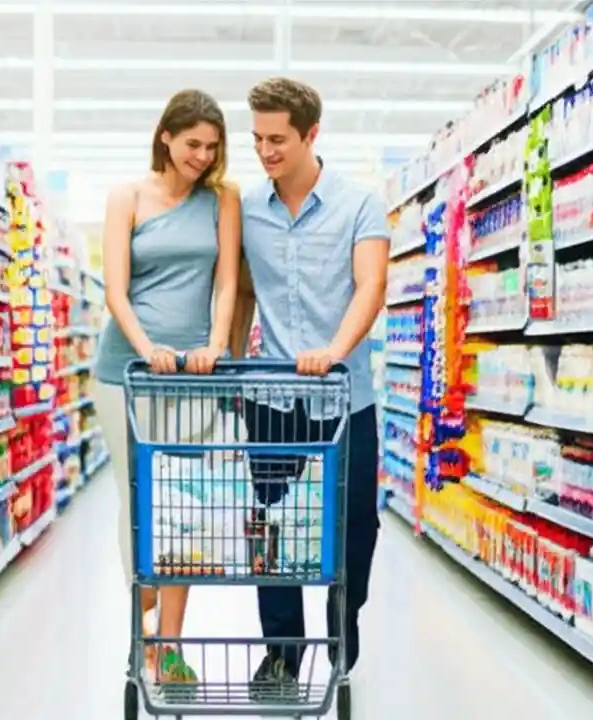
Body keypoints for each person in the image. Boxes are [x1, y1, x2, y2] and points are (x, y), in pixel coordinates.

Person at [234, 76, 389, 696]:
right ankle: (282, 652)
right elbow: (242, 288)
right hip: (270, 398)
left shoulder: (360, 204)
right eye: (258, 139)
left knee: (355, 525)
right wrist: (225, 357)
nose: (266, 151)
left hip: (347, 397)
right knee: (268, 528)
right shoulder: (244, 208)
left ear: (311, 134)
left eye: (278, 139)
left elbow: (371, 286)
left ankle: (340, 628)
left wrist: (334, 352)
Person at [91, 88, 242, 688]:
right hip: (125, 373)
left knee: (189, 509)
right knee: (140, 504)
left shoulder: (222, 201)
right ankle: (143, 613)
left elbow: (227, 283)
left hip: (195, 376)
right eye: (192, 144)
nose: (202, 156)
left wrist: (214, 343)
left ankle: (170, 646)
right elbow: (115, 291)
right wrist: (146, 347)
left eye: (212, 146)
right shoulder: (126, 197)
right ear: (165, 137)